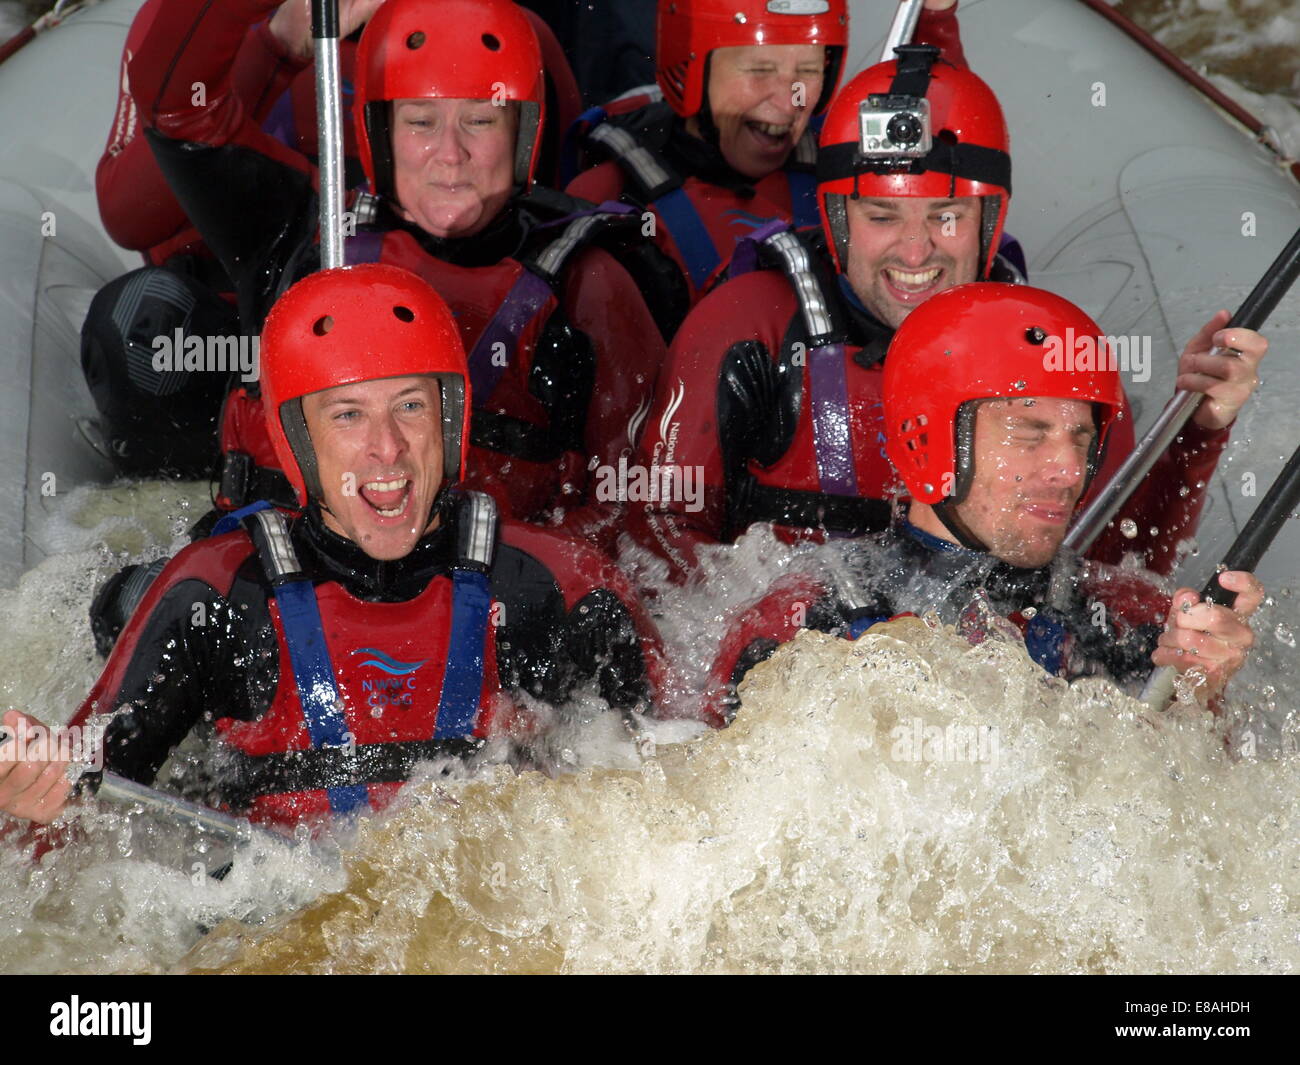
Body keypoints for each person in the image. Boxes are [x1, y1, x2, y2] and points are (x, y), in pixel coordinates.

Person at [1, 265, 666, 827]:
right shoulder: (215, 600)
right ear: (297, 441)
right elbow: (74, 819)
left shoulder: (562, 589)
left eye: (410, 406)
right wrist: (34, 790)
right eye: (348, 414)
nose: (387, 448)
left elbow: (683, 799)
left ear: (451, 419)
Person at [625, 47, 1267, 581]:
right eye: (882, 217)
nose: (914, 250)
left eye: (946, 217)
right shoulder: (746, 328)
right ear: (836, 219)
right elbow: (659, 564)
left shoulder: (1056, 350)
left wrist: (1198, 430)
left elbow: (1119, 573)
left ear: (991, 222)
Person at [89, 0, 673, 547]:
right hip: (289, 591)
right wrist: (280, 39)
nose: (451, 154)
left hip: (480, 599)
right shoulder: (297, 227)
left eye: (480, 121)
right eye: (421, 121)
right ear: (378, 131)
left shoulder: (587, 284)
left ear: (523, 135)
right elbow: (176, 106)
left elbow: (643, 511)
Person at [702, 284, 1263, 726]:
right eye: (1028, 433)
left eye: (1081, 439)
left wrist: (1199, 699)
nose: (1068, 471)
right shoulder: (808, 620)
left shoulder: (1130, 616)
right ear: (928, 439)